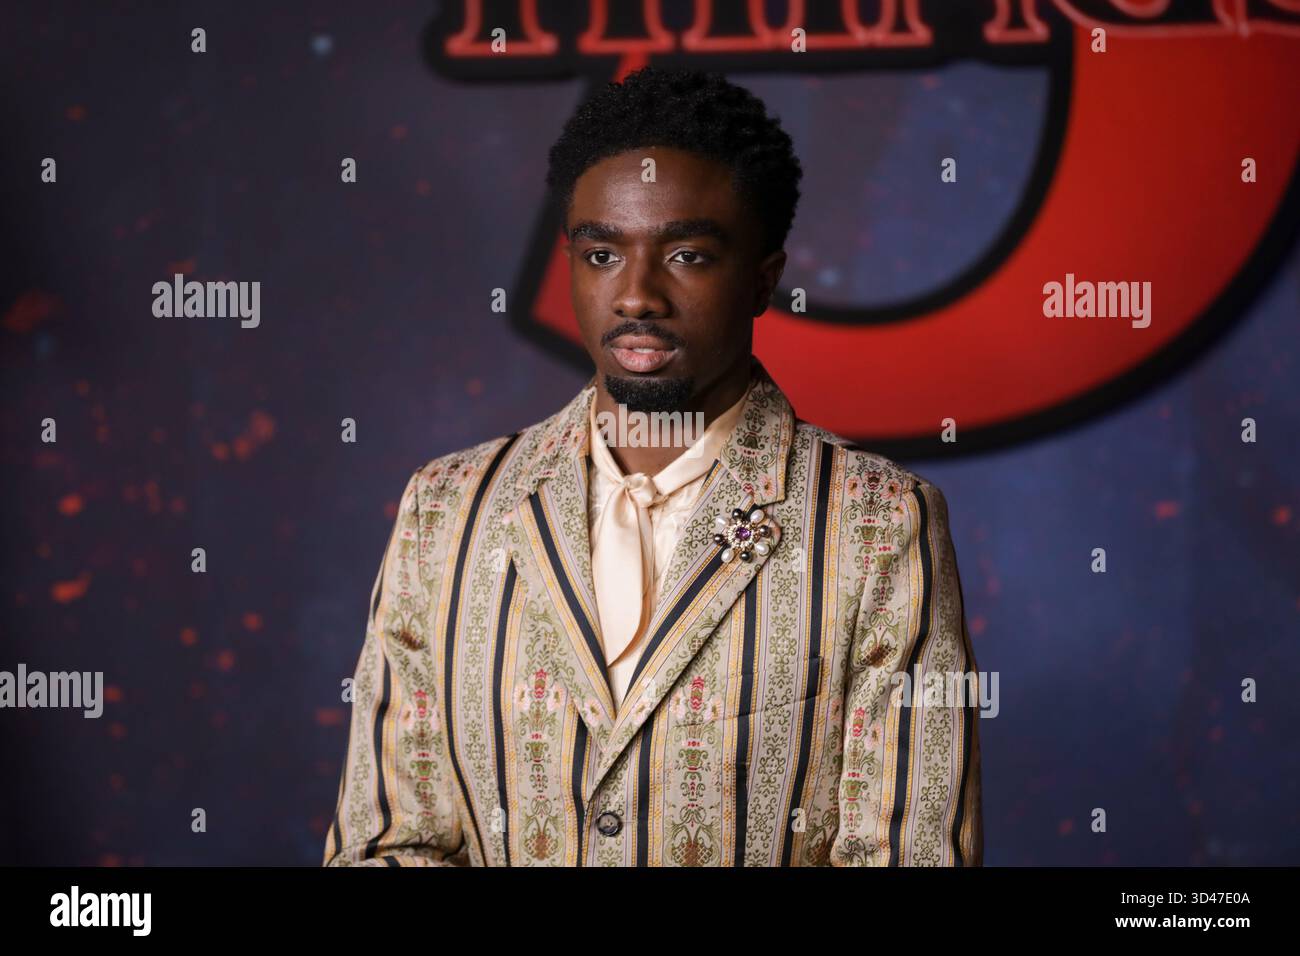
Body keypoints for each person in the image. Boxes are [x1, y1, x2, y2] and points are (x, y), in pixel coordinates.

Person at [324, 66, 982, 867]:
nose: (636, 295)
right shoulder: (447, 509)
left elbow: (909, 856)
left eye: (689, 256)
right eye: (602, 254)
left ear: (763, 280)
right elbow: (388, 840)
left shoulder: (879, 522)